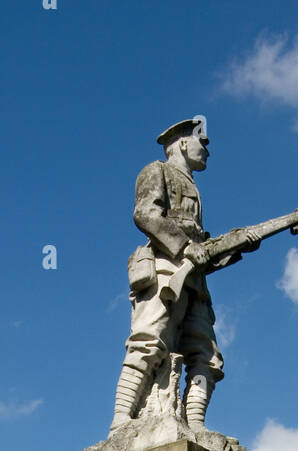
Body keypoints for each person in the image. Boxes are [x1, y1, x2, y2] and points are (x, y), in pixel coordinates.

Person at [110, 115, 258, 434]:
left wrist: (237, 247)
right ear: (181, 143)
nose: (206, 150)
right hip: (165, 267)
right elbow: (145, 214)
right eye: (201, 142)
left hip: (195, 281)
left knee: (206, 356)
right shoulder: (157, 171)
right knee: (149, 342)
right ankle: (121, 419)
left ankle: (195, 425)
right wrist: (184, 247)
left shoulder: (192, 185)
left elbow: (203, 254)